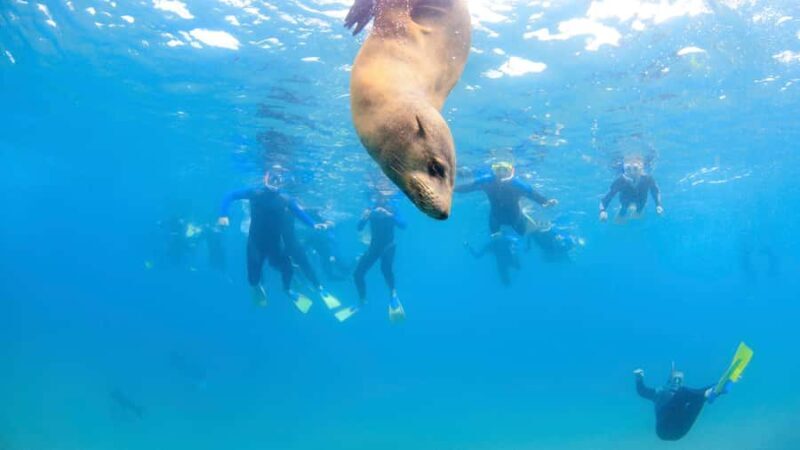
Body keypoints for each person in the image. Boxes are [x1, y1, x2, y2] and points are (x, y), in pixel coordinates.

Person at [217, 171, 332, 312]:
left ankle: (287, 289)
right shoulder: (255, 192)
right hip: (255, 244)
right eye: (272, 177)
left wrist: (313, 224)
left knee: (288, 268)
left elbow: (299, 213)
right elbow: (230, 195)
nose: (275, 181)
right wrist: (223, 214)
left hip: (275, 244)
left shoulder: (285, 199)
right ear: (265, 177)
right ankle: (256, 286)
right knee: (253, 276)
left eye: (278, 179)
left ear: (282, 182)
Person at [338, 193, 407, 322]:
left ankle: (393, 294)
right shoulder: (371, 209)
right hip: (374, 247)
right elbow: (359, 228)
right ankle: (362, 300)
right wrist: (364, 218)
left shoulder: (393, 208)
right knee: (357, 274)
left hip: (389, 246)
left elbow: (403, 225)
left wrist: (389, 215)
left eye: (384, 196)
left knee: (385, 270)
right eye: (379, 196)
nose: (381, 198)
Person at [455, 161, 558, 236]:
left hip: (515, 217)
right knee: (495, 237)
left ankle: (523, 213)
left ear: (511, 171)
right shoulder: (487, 182)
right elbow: (469, 187)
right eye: (498, 170)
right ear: (494, 171)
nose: (501, 173)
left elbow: (532, 194)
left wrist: (546, 202)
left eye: (505, 170)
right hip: (495, 217)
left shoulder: (518, 185)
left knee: (522, 233)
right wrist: (452, 189)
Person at [634, 365, 726, 441]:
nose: (677, 382)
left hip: (679, 431)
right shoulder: (660, 392)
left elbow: (698, 392)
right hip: (663, 429)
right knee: (689, 393)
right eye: (675, 379)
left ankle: (715, 390)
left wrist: (723, 384)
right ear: (669, 380)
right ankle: (709, 393)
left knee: (698, 399)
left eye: (679, 380)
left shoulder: (686, 394)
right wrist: (639, 378)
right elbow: (642, 391)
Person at [599, 157, 663, 221]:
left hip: (640, 201)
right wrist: (602, 211)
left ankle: (635, 213)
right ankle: (625, 213)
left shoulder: (647, 179)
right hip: (626, 201)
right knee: (624, 208)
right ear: (625, 170)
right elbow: (607, 197)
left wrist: (658, 205)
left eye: (635, 169)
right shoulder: (620, 181)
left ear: (641, 169)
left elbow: (655, 191)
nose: (632, 173)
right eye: (628, 169)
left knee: (639, 210)